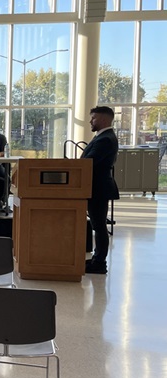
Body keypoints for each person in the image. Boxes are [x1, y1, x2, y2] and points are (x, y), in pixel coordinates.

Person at [82, 106, 120, 275]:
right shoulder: (102, 136)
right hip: (96, 187)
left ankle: (99, 263)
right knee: (98, 225)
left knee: (99, 226)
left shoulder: (105, 139)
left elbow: (89, 162)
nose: (91, 121)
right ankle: (97, 259)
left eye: (94, 118)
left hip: (98, 188)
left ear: (104, 120)